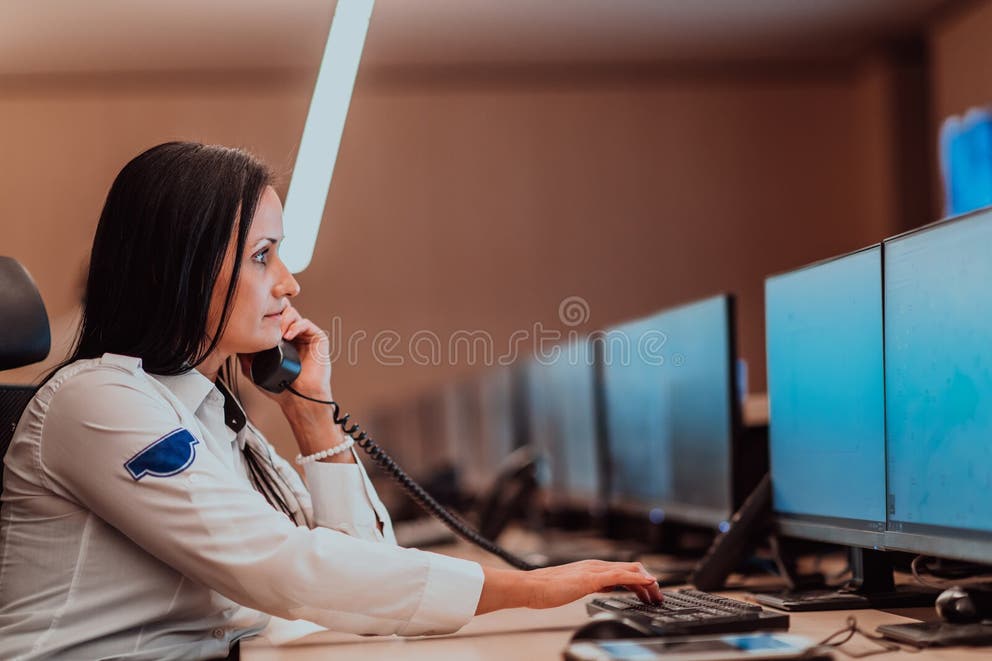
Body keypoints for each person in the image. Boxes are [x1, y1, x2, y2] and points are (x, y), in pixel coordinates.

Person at [0, 142, 662, 659]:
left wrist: (312, 415)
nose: (289, 283)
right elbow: (292, 570)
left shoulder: (213, 416)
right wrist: (531, 587)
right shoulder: (98, 404)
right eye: (264, 256)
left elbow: (363, 583)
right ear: (177, 268)